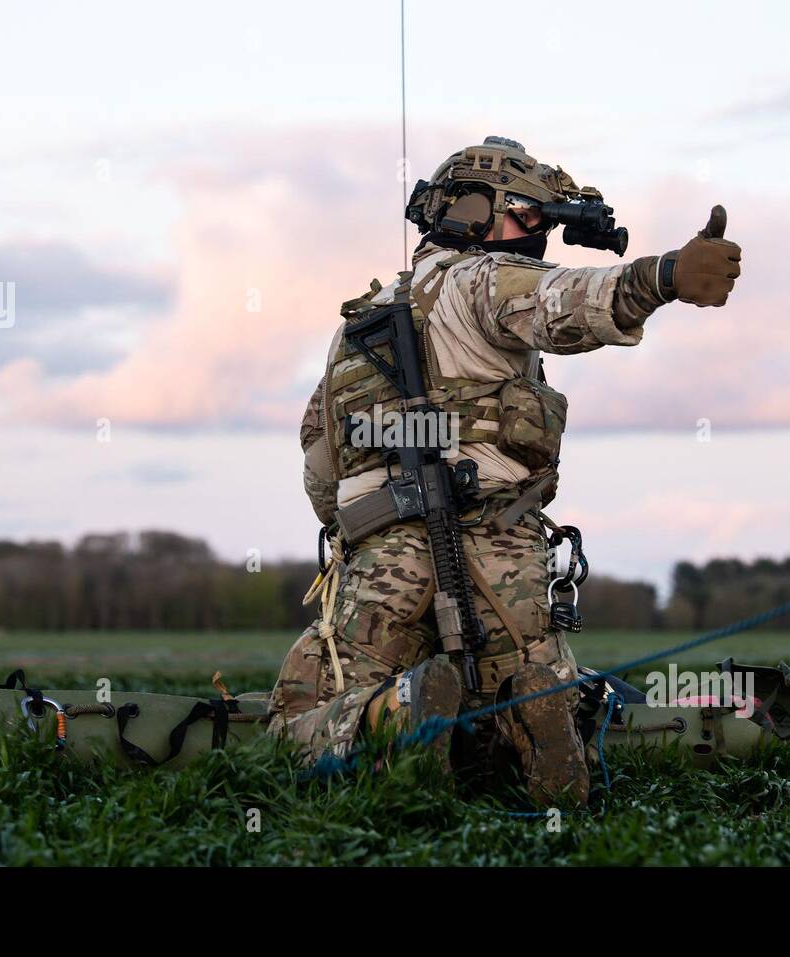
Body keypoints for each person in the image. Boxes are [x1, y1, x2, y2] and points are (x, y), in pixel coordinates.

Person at [268, 136, 741, 806]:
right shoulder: (481, 281)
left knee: (302, 722)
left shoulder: (351, 331)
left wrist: (365, 527)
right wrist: (662, 277)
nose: (538, 233)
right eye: (525, 214)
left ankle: (400, 714)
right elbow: (567, 302)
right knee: (536, 690)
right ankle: (534, 727)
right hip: (503, 556)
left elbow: (321, 466)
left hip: (382, 562)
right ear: (471, 211)